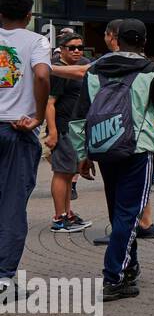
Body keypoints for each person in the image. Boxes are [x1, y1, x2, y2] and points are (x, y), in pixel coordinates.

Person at [70, 19, 154, 301]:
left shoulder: (95, 70)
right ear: (143, 42)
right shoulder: (153, 70)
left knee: (118, 212)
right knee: (129, 214)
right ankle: (114, 277)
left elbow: (79, 117)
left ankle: (128, 267)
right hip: (138, 149)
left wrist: (82, 155)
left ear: (117, 40)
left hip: (104, 148)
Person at [0, 0, 52, 298]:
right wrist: (37, 115)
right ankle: (3, 279)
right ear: (29, 16)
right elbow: (43, 76)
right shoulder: (36, 41)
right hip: (16, 129)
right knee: (12, 205)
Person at [46, 31, 92, 233]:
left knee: (70, 172)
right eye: (71, 47)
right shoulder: (59, 69)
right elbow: (49, 103)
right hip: (64, 128)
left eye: (80, 47)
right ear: (61, 49)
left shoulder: (79, 65)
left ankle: (68, 213)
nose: (76, 51)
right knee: (62, 173)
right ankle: (59, 218)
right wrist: (53, 132)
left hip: (77, 130)